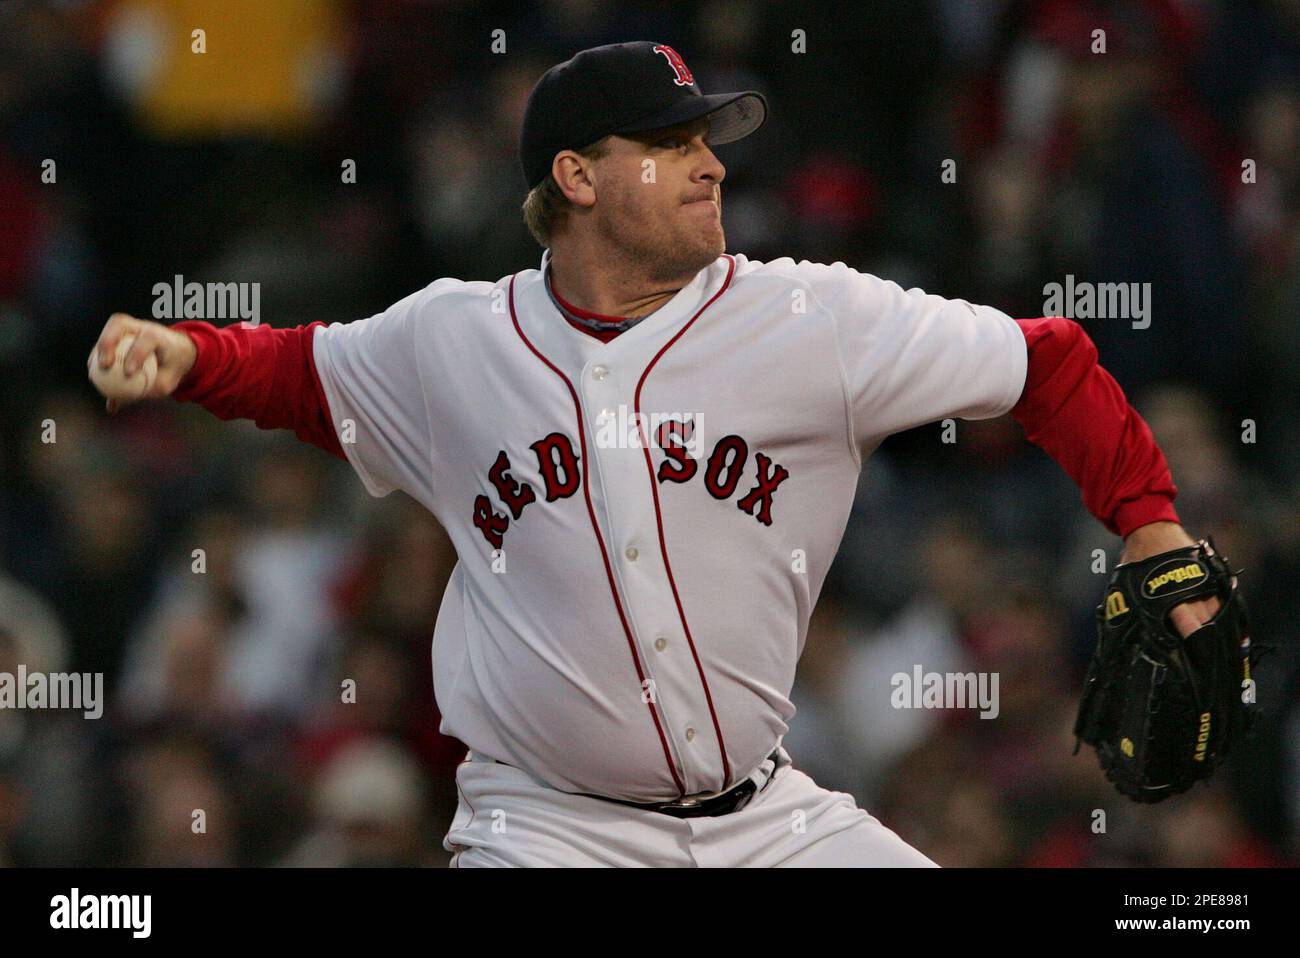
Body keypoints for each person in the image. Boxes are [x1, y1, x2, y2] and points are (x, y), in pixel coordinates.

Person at [90, 42, 1220, 867]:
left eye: (708, 143)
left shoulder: (810, 320)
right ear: (576, 178)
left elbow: (1048, 364)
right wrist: (184, 353)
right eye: (672, 144)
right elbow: (300, 371)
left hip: (768, 819)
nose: (710, 166)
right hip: (543, 829)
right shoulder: (452, 339)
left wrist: (1149, 520)